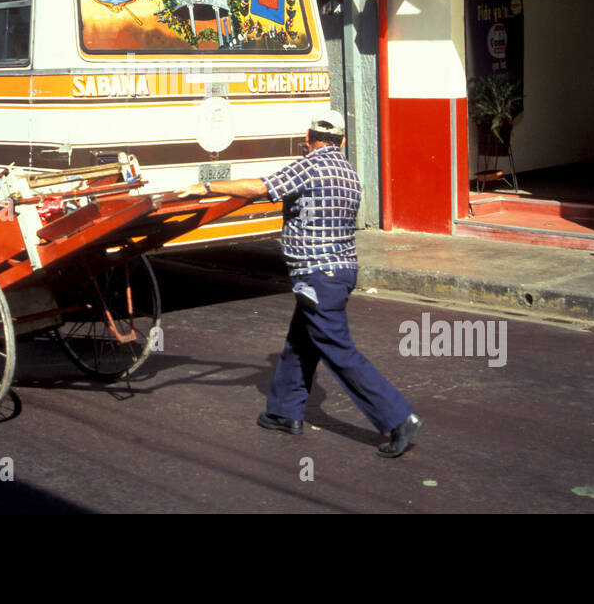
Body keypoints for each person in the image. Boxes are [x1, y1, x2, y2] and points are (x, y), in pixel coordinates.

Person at [178, 110, 424, 458]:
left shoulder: (309, 165)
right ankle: (284, 412)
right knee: (300, 343)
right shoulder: (348, 172)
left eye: (307, 140)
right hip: (339, 273)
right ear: (343, 140)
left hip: (316, 276)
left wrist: (205, 186)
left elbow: (261, 188)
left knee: (338, 349)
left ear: (308, 140)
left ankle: (399, 418)